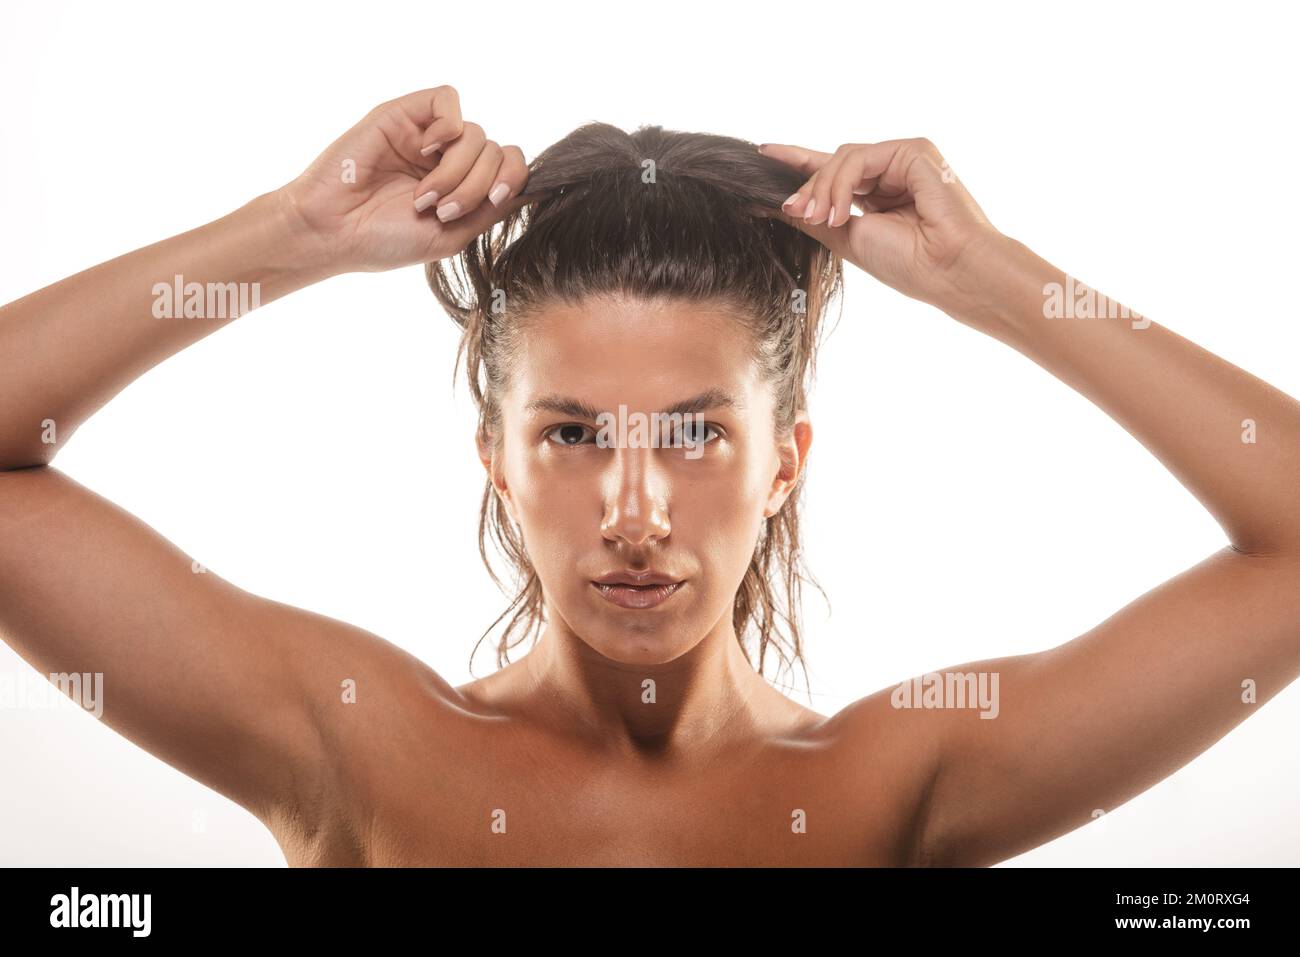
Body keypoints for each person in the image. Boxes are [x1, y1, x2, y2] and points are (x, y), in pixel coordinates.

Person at [1, 85, 1297, 867]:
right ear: (497, 462)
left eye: (694, 432)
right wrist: (292, 232)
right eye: (570, 433)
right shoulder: (358, 748)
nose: (634, 511)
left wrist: (993, 276)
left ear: (786, 458)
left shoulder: (894, 780)